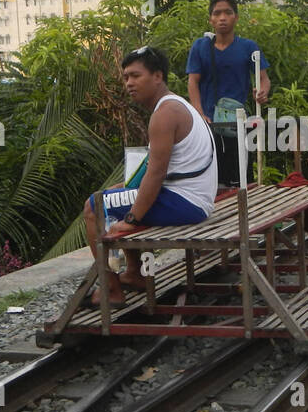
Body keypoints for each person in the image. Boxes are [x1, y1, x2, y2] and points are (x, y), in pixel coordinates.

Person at [81, 46, 217, 303]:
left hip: (186, 202)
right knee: (117, 195)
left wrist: (131, 219)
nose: (129, 83)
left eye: (136, 76)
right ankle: (134, 273)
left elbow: (155, 175)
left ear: (158, 76)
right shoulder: (176, 105)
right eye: (126, 78)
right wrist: (123, 193)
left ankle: (111, 289)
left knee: (93, 207)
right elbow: (151, 172)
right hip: (194, 198)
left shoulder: (165, 114)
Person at [186, 0, 270, 188]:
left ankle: (246, 217)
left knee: (241, 180)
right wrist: (199, 114)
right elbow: (192, 82)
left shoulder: (248, 47)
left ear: (236, 17)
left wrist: (262, 92)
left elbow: (263, 79)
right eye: (217, 13)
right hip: (209, 125)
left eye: (228, 12)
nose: (222, 17)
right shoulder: (200, 47)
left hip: (239, 124)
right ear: (211, 19)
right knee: (213, 181)